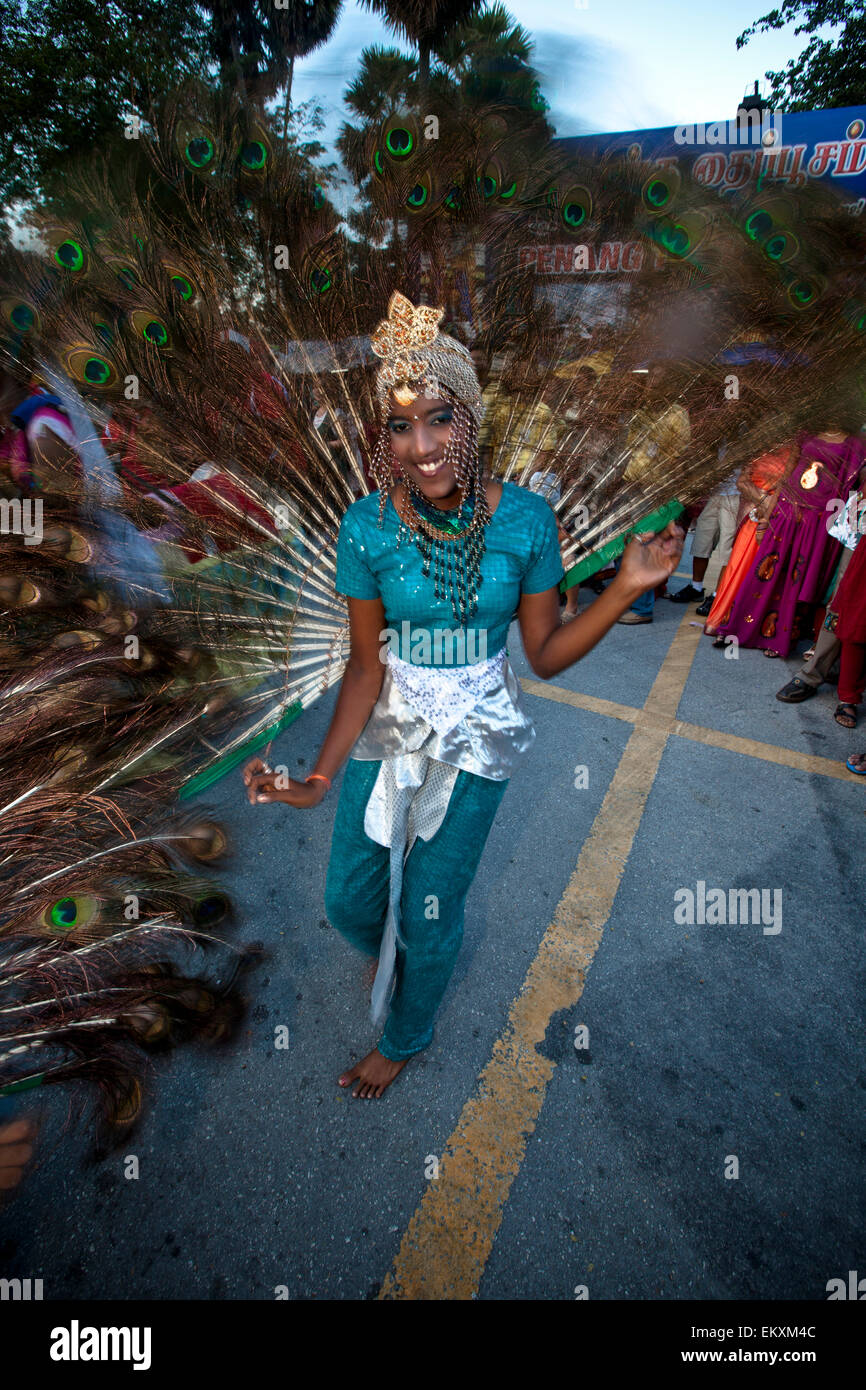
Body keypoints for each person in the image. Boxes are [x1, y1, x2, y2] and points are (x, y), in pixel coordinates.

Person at [242, 292, 683, 1098]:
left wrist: (625, 588)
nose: (423, 446)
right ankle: (397, 953)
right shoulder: (366, 525)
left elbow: (544, 654)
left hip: (480, 730)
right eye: (402, 427)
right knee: (348, 902)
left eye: (440, 419)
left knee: (433, 908)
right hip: (390, 719)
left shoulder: (526, 520)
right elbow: (367, 666)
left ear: (471, 418)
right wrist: (320, 774)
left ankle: (407, 1033)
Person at [715, 414, 866, 658]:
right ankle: (736, 629)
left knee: (796, 579)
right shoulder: (806, 434)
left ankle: (776, 639)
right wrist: (769, 514)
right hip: (787, 510)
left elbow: (850, 489)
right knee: (763, 573)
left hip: (818, 520)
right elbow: (787, 476)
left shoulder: (855, 444)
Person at [617, 364, 690, 625]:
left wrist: (671, 497)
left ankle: (642, 608)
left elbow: (679, 458)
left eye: (658, 380)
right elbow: (630, 450)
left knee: (644, 545)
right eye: (650, 380)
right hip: (630, 485)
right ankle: (629, 599)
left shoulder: (676, 416)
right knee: (624, 542)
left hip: (655, 490)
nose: (651, 385)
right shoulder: (641, 413)